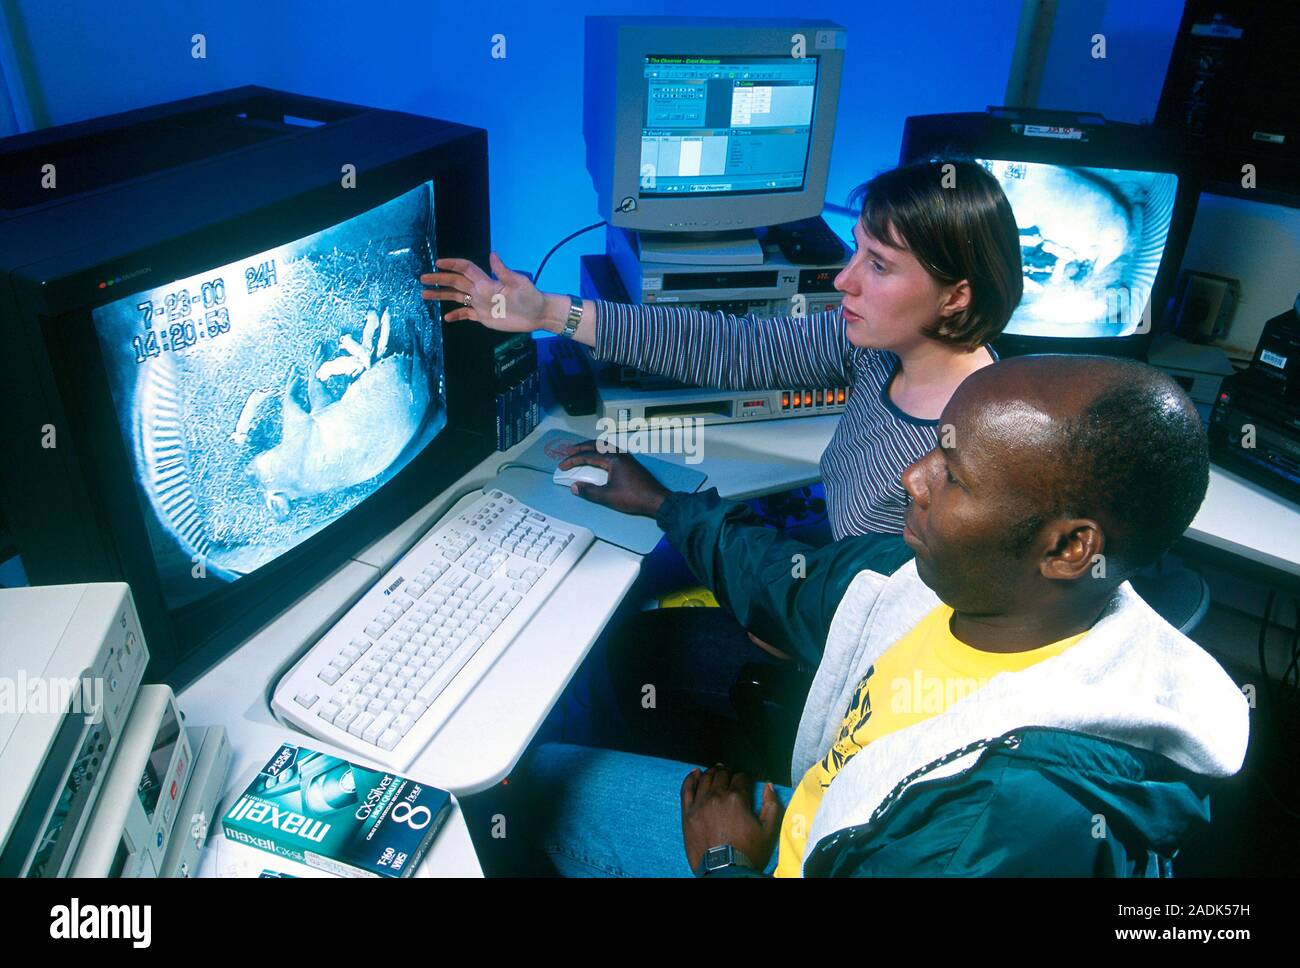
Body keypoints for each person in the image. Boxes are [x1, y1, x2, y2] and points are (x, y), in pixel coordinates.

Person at [503, 355, 1248, 877]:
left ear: (1065, 547)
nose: (912, 478)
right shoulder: (952, 585)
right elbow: (790, 584)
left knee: (520, 793)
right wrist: (667, 505)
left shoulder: (991, 824)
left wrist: (726, 862)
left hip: (775, 860)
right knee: (639, 651)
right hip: (839, 831)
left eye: (952, 476)